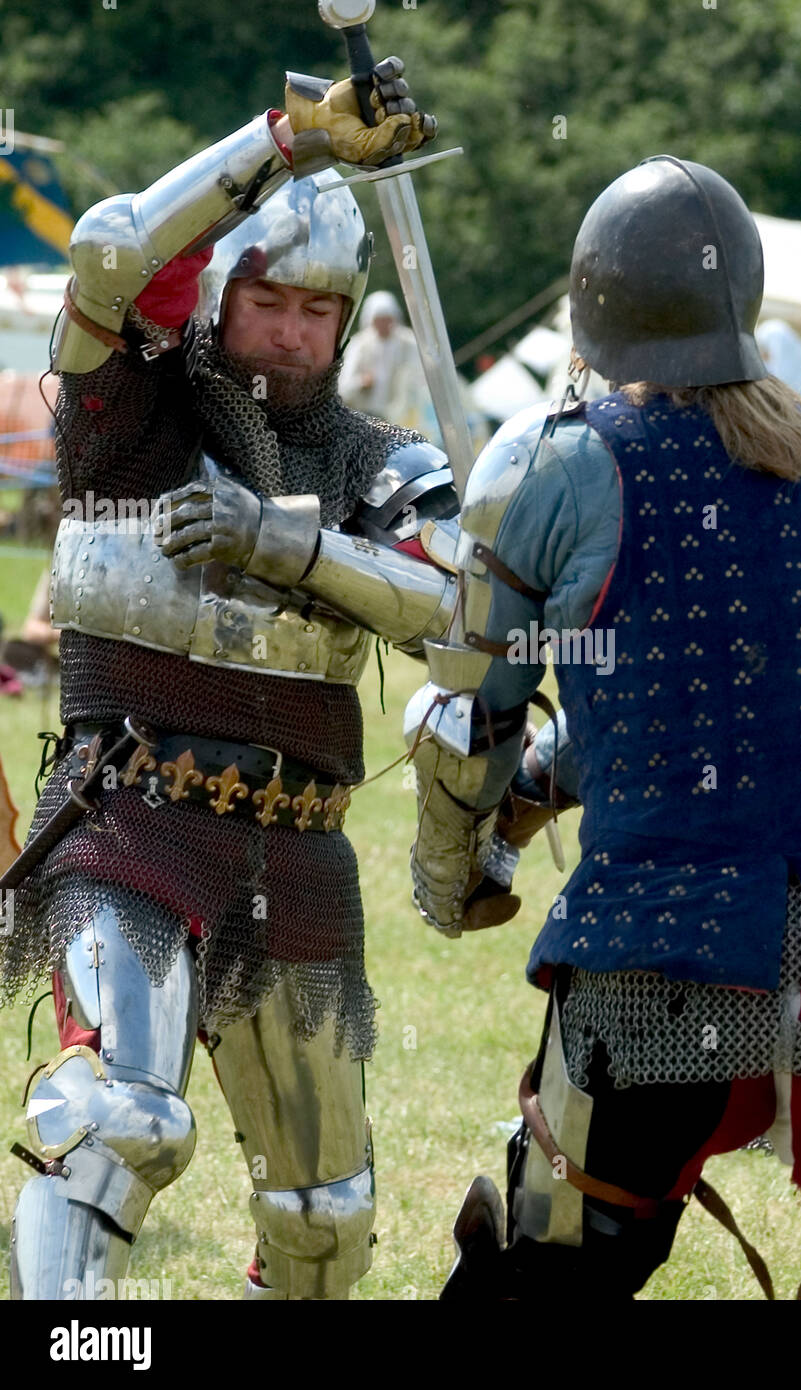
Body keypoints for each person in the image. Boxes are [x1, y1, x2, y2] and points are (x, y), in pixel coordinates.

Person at [402, 158, 801, 1300]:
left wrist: (452, 871)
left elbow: (470, 719)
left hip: (671, 932)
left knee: (548, 1263)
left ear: (591, 301)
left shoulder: (554, 458)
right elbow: (673, 707)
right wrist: (553, 779)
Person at [2, 64, 463, 1300]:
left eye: (321, 312)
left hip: (298, 852)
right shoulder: (131, 412)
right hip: (132, 823)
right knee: (122, 1123)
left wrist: (287, 542)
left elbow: (461, 613)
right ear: (220, 293)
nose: (295, 332)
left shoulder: (379, 462)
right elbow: (108, 254)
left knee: (327, 1216)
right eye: (268, 300)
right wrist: (289, 140)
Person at [339, 288, 428, 429]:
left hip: (404, 420)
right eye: (379, 320)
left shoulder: (408, 343)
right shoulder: (359, 345)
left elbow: (421, 380)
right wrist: (362, 382)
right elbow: (344, 387)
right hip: (365, 420)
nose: (383, 324)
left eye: (387, 319)